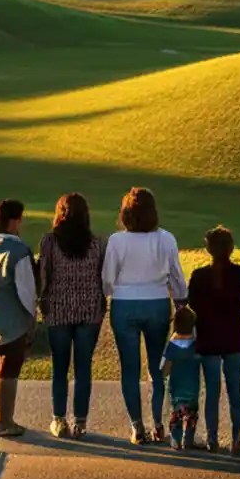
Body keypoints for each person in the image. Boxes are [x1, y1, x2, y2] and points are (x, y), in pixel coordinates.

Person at [102, 187, 189, 445]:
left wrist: (112, 292)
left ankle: (137, 427)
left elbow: (107, 279)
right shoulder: (166, 239)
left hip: (124, 304)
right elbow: (176, 276)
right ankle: (159, 423)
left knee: (129, 369)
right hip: (157, 303)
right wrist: (181, 301)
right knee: (157, 368)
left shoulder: (117, 241)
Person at [38, 193, 106, 439]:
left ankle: (59, 420)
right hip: (89, 312)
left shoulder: (49, 242)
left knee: (60, 367)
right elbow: (102, 277)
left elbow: (44, 275)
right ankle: (80, 422)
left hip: (58, 311)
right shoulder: (97, 244)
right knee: (83, 368)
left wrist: (42, 300)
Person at [0, 198, 38, 437]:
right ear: (14, 220)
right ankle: (3, 421)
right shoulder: (19, 251)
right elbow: (26, 291)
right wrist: (31, 320)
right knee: (9, 367)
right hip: (9, 318)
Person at [187, 225, 240, 455]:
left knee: (212, 391)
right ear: (231, 248)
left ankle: (212, 438)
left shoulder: (199, 276)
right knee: (235, 390)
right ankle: (236, 437)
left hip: (208, 338)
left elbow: (192, 305)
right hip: (234, 337)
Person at [160, 306, 201, 451]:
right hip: (193, 387)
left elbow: (165, 368)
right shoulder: (196, 345)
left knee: (176, 415)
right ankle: (188, 439)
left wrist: (163, 374)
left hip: (176, 388)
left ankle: (175, 440)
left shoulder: (172, 346)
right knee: (191, 414)